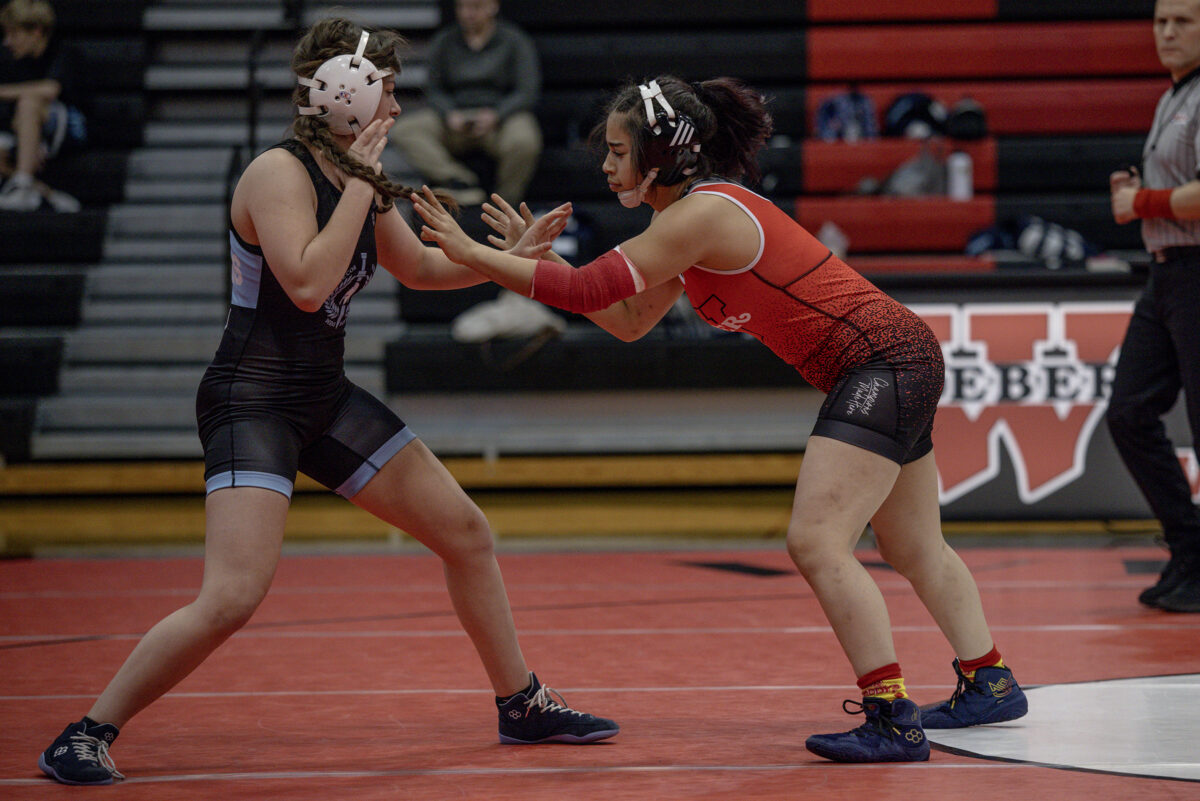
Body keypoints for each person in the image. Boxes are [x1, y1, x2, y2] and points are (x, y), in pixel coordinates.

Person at [35, 17, 616, 787]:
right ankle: (83, 731)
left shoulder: (356, 177)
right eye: (390, 94)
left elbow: (416, 270)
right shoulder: (276, 175)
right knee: (233, 594)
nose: (400, 111)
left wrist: (507, 261)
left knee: (466, 532)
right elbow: (307, 284)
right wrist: (362, 182)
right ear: (349, 97)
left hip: (323, 393)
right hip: (254, 399)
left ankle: (521, 701)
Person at [413, 74, 1028, 763]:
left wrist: (477, 257)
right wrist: (537, 260)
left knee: (817, 541)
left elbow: (591, 288)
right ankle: (991, 680)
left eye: (618, 151)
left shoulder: (702, 215)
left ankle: (891, 715)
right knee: (913, 547)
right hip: (892, 360)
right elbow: (625, 320)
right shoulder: (678, 225)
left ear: (662, 151)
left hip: (880, 364)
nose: (607, 166)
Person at [1108, 0, 1200, 614]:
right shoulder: (1176, 95)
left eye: (1183, 21)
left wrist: (1140, 202)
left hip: (1195, 268)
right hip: (1166, 274)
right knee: (1129, 413)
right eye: (1161, 20)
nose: (1166, 32)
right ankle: (1190, 547)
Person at [388, 0, 541, 207]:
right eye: (463, 7)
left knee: (525, 140)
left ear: (492, 7)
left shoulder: (514, 40)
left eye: (476, 7)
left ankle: (506, 203)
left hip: (499, 120)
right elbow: (433, 89)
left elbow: (526, 91)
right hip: (456, 119)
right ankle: (459, 181)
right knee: (405, 130)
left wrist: (498, 114)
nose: (468, 13)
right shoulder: (444, 40)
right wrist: (449, 113)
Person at [0, 0, 84, 212]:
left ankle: (23, 183)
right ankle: (47, 194)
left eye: (14, 34)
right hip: (26, 128)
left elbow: (51, 90)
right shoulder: (11, 61)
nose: (8, 42)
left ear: (36, 32)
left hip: (69, 129)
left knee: (29, 102)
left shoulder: (64, 53)